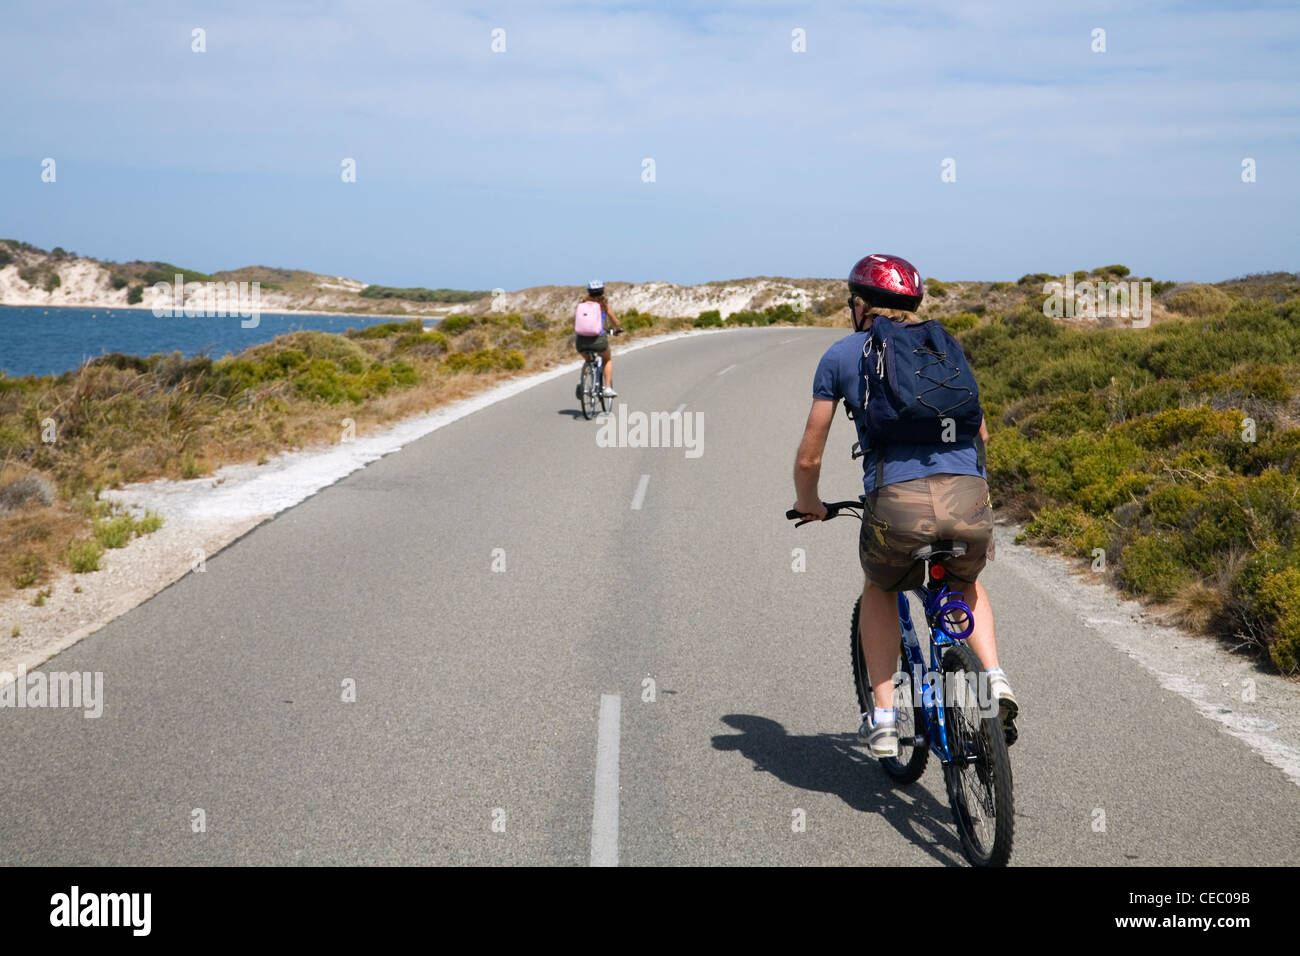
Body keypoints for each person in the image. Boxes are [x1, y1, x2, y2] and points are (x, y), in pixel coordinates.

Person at [791, 253, 1019, 758]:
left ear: (859, 305)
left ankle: (885, 717)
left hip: (896, 506)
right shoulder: (946, 346)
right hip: (968, 497)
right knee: (963, 581)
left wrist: (810, 505)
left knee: (881, 585)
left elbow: (809, 458)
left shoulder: (842, 356)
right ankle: (995, 679)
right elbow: (980, 431)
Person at [575, 280, 624, 397]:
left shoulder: (581, 305)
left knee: (588, 361)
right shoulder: (604, 306)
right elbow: (615, 321)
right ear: (602, 291)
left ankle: (582, 384)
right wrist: (618, 329)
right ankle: (607, 388)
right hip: (598, 340)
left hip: (581, 341)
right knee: (607, 359)